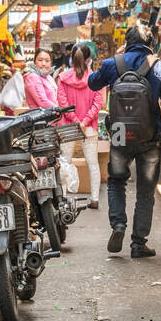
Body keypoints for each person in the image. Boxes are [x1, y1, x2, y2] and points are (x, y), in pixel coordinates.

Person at [87, 21, 161, 258]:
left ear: (127, 43)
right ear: (150, 44)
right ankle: (138, 244)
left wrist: (106, 67)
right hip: (149, 134)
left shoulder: (113, 64)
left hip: (120, 133)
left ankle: (118, 225)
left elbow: (92, 83)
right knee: (145, 191)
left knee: (116, 182)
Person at [56, 41, 104, 209]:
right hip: (89, 127)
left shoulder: (62, 78)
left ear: (71, 58)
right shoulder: (96, 78)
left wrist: (75, 121)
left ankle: (63, 198)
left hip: (68, 127)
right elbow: (99, 103)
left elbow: (62, 103)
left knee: (64, 162)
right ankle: (94, 198)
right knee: (93, 163)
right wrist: (84, 121)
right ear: (88, 59)